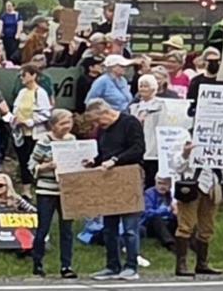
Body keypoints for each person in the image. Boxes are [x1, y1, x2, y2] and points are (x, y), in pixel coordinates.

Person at [83, 99, 145, 281]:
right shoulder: (104, 130)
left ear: (105, 113)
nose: (98, 126)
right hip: (109, 179)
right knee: (109, 227)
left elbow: (138, 148)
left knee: (129, 227)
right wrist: (94, 161)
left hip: (128, 176)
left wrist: (116, 160)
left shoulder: (129, 123)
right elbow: (105, 153)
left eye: (98, 121)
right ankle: (112, 265)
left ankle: (131, 266)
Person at [28, 108, 77, 278]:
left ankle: (66, 265)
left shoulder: (73, 140)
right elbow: (31, 164)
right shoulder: (44, 141)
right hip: (46, 189)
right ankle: (38, 263)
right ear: (53, 125)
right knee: (43, 228)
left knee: (67, 229)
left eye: (69, 122)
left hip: (66, 190)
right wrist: (45, 167)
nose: (67, 126)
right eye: (63, 123)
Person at [171, 137, 222, 277]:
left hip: (211, 186)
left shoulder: (221, 139)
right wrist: (185, 154)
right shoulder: (185, 139)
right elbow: (176, 165)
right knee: (186, 226)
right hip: (191, 186)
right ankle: (181, 264)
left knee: (207, 227)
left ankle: (202, 263)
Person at [11, 62, 51, 186]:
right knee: (23, 161)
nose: (22, 78)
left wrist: (28, 122)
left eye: (24, 75)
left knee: (32, 160)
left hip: (35, 134)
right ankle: (26, 188)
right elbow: (16, 109)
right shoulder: (22, 92)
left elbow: (46, 114)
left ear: (33, 76)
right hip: (20, 134)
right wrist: (15, 120)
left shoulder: (41, 93)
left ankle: (36, 183)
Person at [138, 175, 178, 252]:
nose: (162, 186)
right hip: (151, 225)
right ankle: (170, 244)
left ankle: (191, 242)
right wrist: (167, 209)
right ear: (155, 183)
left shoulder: (172, 194)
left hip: (168, 222)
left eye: (165, 184)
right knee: (156, 218)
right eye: (160, 183)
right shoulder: (149, 193)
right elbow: (147, 213)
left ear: (170, 185)